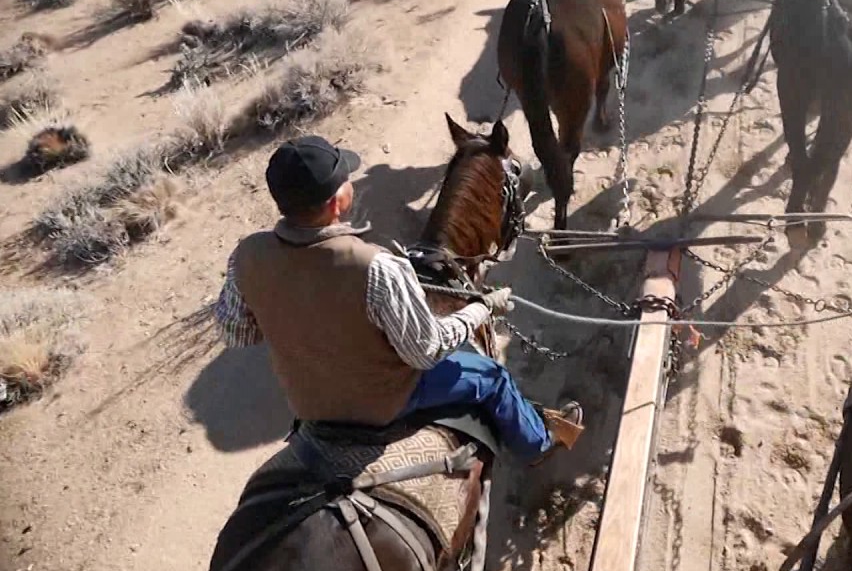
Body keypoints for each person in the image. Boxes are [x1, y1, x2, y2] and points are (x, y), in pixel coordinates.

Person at [212, 135, 583, 461]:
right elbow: (426, 351)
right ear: (337, 200)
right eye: (345, 178)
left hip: (309, 404)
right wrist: (481, 308)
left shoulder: (246, 256)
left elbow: (237, 334)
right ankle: (539, 445)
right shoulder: (375, 266)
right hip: (382, 403)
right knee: (491, 376)